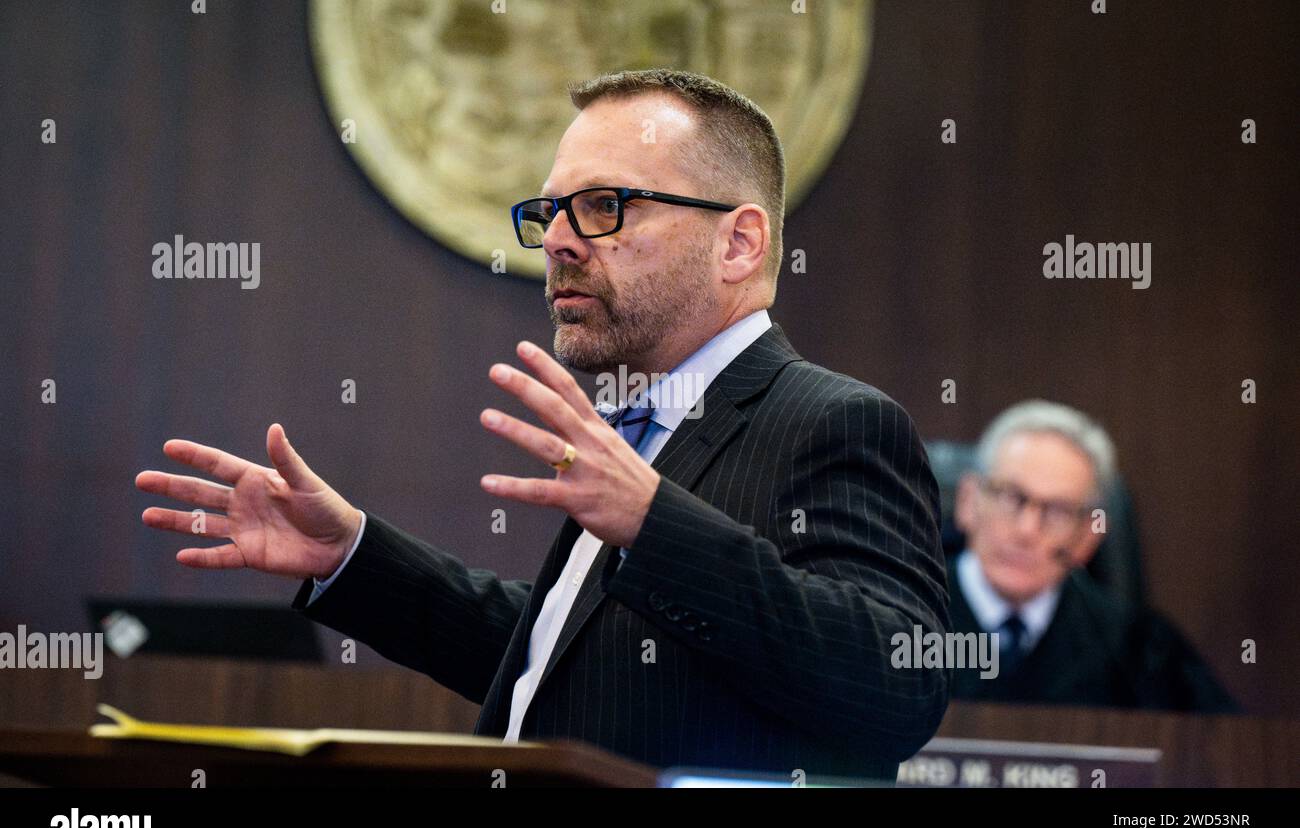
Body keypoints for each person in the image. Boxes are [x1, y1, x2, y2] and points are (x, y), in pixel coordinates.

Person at [135, 69, 950, 779]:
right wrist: (351, 555)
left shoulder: (838, 422)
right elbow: (562, 665)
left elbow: (896, 684)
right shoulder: (636, 424)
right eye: (551, 211)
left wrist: (655, 523)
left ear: (738, 244)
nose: (556, 241)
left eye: (605, 206)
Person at [949, 399, 1237, 712]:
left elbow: (1224, 746)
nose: (1027, 530)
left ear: (1088, 536)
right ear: (968, 501)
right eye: (1011, 497)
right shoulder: (900, 625)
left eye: (1057, 511)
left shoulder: (1137, 649)